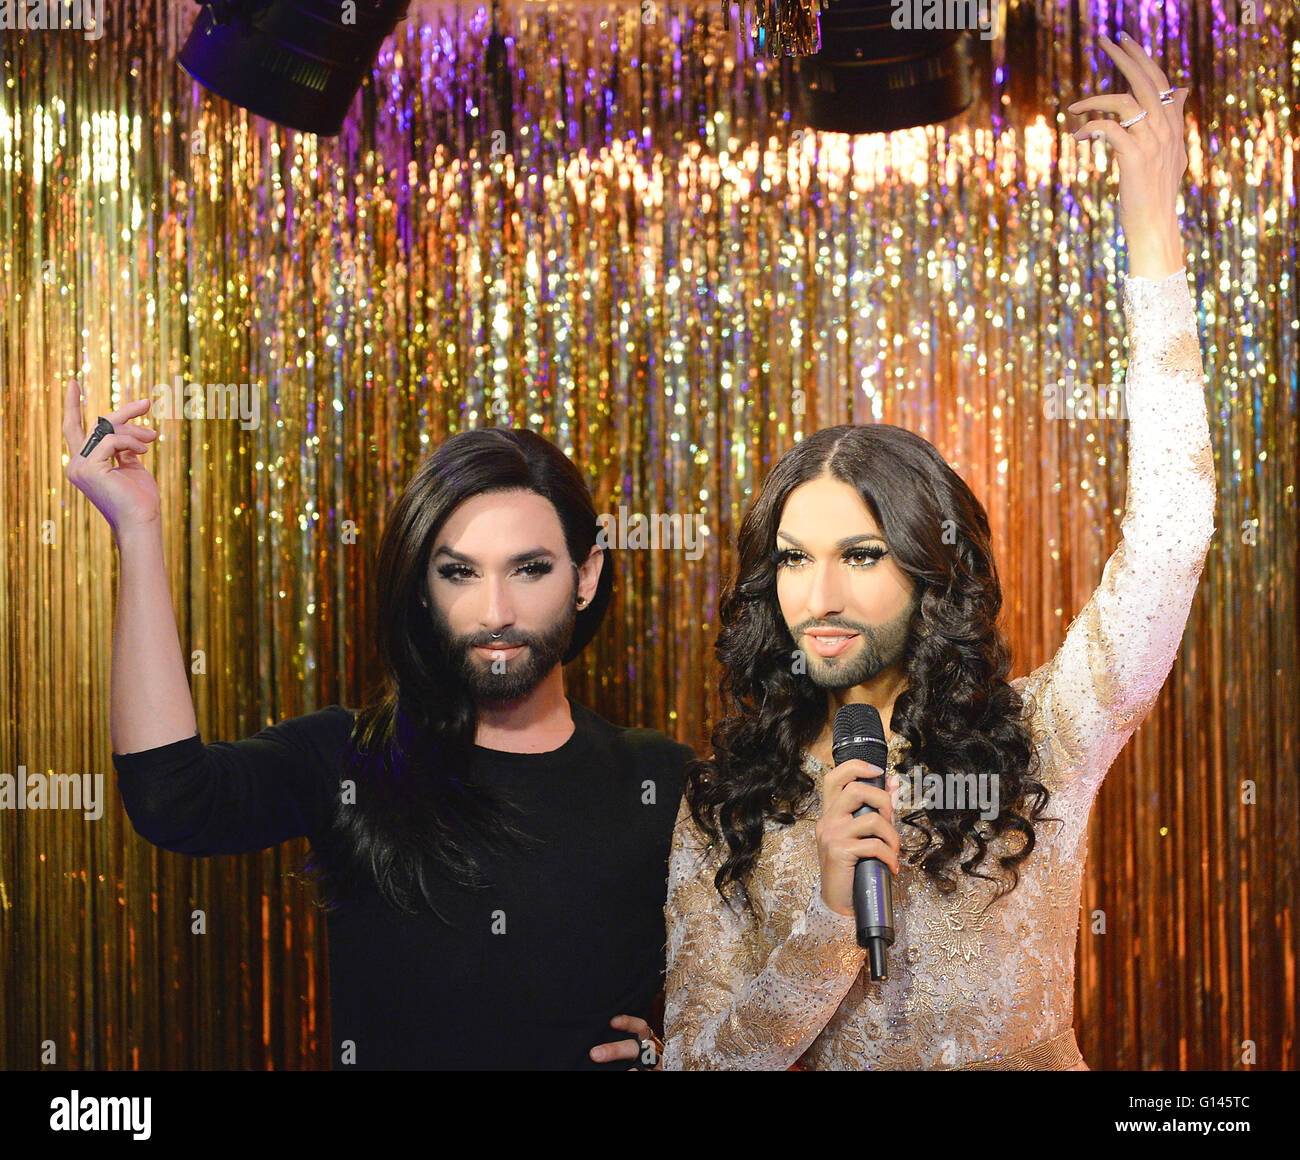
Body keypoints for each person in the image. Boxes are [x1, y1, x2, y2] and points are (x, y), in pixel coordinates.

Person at [662, 31, 1214, 1070]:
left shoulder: (1043, 738)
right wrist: (827, 919)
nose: (815, 592)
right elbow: (699, 1062)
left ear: (931, 571)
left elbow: (1173, 530)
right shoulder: (723, 801)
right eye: (790, 558)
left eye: (860, 555)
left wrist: (1153, 235)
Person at [64, 414, 693, 1069]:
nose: (496, 610)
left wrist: (685, 1055)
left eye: (529, 570)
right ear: (422, 588)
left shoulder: (664, 780)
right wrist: (137, 534)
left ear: (585, 576)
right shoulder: (351, 759)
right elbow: (171, 797)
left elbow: (778, 979)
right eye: (460, 573)